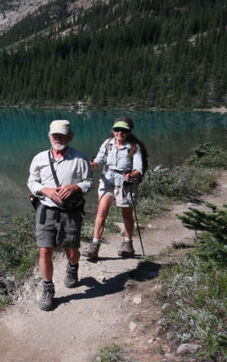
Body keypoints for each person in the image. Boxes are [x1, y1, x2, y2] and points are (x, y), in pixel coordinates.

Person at [27, 119, 92, 311]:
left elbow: (89, 182)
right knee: (45, 250)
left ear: (70, 137)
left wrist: (75, 187)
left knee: (71, 250)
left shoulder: (80, 159)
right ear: (49, 136)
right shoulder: (39, 158)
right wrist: (45, 190)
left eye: (62, 135)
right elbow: (32, 181)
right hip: (46, 209)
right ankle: (48, 287)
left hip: (70, 211)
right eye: (55, 135)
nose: (58, 138)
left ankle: (72, 267)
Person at [82, 117, 144, 261]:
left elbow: (139, 168)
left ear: (128, 132)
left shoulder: (134, 147)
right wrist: (93, 165)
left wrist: (131, 175)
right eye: (117, 129)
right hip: (107, 181)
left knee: (126, 214)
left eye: (123, 130)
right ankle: (94, 245)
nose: (119, 132)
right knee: (101, 211)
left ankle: (128, 243)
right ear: (113, 130)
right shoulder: (108, 143)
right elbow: (99, 160)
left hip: (125, 183)